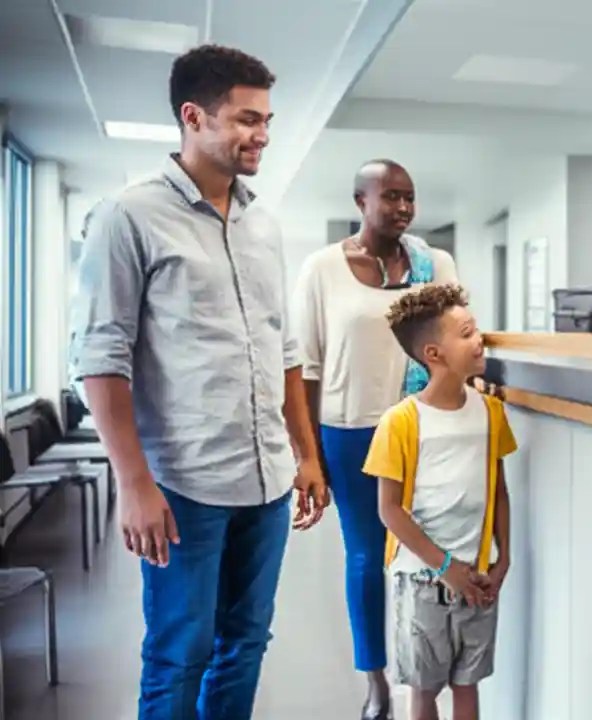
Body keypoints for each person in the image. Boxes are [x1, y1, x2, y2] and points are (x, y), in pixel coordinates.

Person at [70, 45, 329, 720]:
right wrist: (133, 484)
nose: (263, 136)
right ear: (194, 116)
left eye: (267, 120)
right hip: (186, 486)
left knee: (245, 644)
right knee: (179, 655)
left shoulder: (263, 225)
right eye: (247, 119)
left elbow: (286, 351)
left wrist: (305, 454)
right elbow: (101, 357)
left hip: (267, 480)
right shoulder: (128, 217)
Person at [290, 159, 458, 720]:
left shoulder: (436, 263)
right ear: (360, 201)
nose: (404, 208)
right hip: (351, 431)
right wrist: (307, 456)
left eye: (410, 197)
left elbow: (456, 340)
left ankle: (422, 679)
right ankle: (376, 681)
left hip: (423, 429)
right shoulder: (322, 269)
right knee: (366, 558)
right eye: (391, 196)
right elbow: (305, 368)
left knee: (424, 556)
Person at [364, 284, 517, 720]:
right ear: (434, 353)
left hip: (479, 573)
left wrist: (502, 559)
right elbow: (389, 510)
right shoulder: (400, 423)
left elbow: (499, 491)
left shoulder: (491, 413)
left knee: (467, 685)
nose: (480, 339)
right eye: (467, 333)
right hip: (422, 580)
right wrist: (444, 566)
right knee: (425, 690)